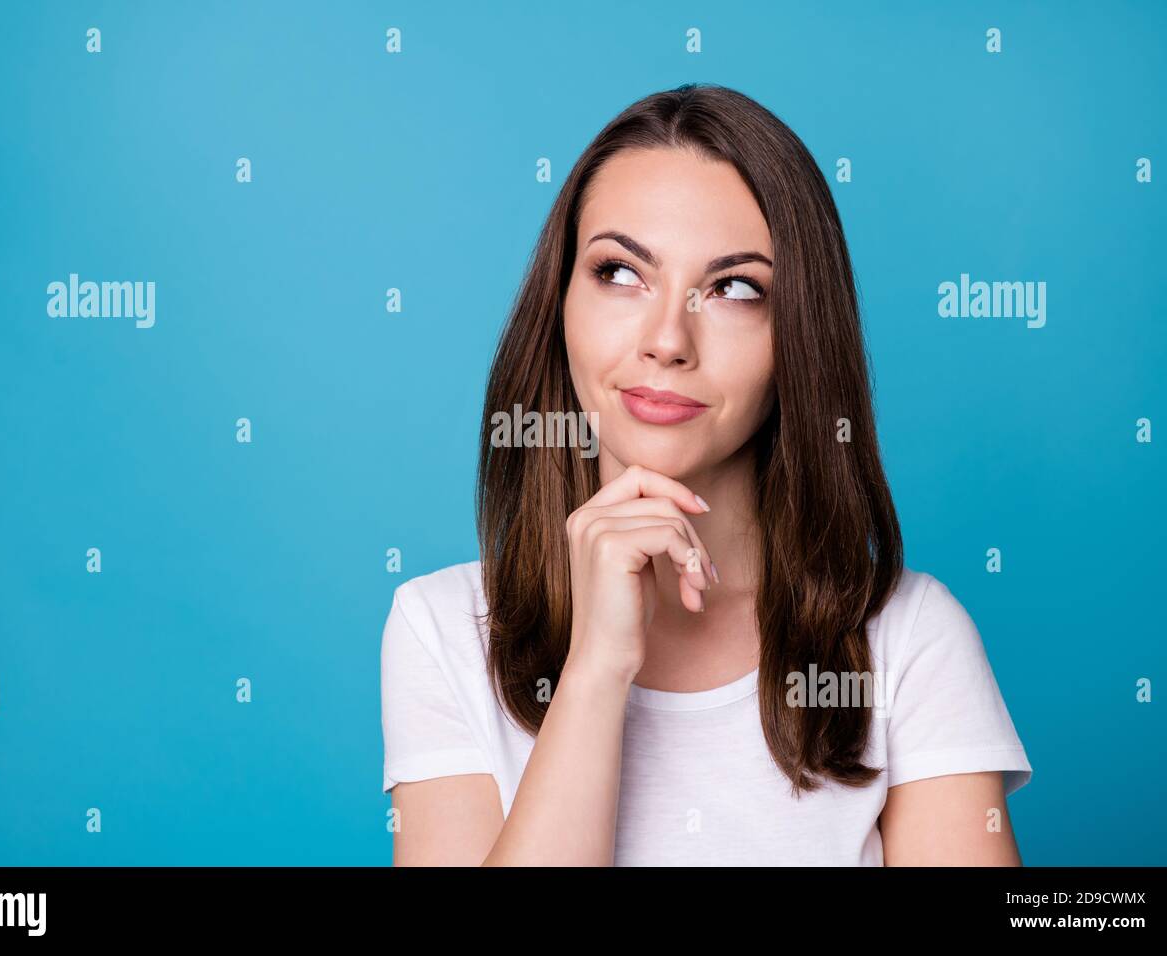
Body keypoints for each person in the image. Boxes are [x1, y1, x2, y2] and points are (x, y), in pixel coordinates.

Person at [380, 83, 1032, 866]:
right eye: (621, 273)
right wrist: (596, 671)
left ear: (798, 337)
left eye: (734, 288)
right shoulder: (443, 629)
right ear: (558, 303)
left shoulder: (909, 640)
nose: (667, 340)